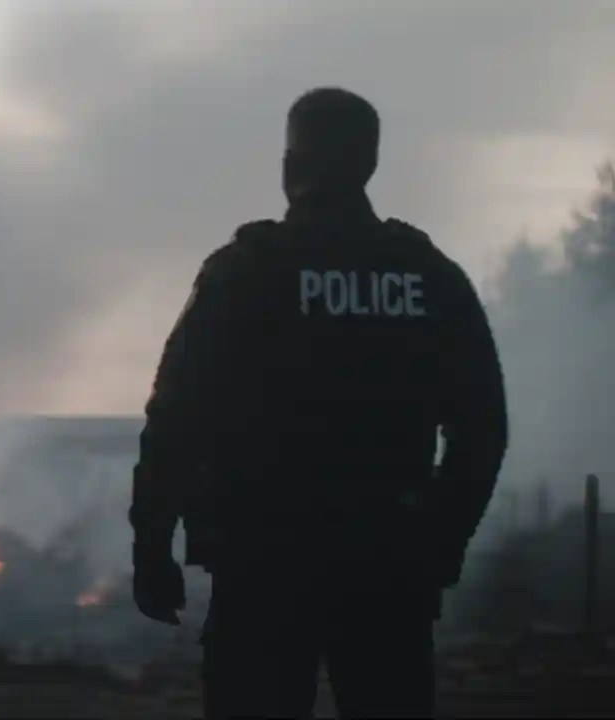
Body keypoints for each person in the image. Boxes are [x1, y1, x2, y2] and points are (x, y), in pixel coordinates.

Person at [129, 88, 508, 718]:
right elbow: (482, 428)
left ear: (289, 166)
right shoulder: (429, 276)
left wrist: (152, 545)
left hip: (261, 569)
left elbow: (175, 419)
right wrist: (441, 541)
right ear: (370, 165)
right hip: (389, 570)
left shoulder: (244, 272)